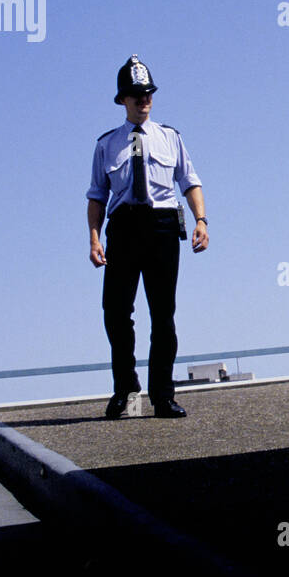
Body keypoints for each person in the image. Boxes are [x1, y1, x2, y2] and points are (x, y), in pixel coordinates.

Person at [87, 54, 209, 419]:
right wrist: (94, 238)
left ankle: (162, 395)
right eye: (136, 94)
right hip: (123, 229)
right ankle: (125, 390)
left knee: (163, 313)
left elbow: (190, 180)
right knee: (116, 312)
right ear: (123, 99)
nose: (144, 99)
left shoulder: (170, 137)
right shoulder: (107, 144)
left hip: (161, 227)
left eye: (148, 93)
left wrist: (202, 220)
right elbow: (96, 195)